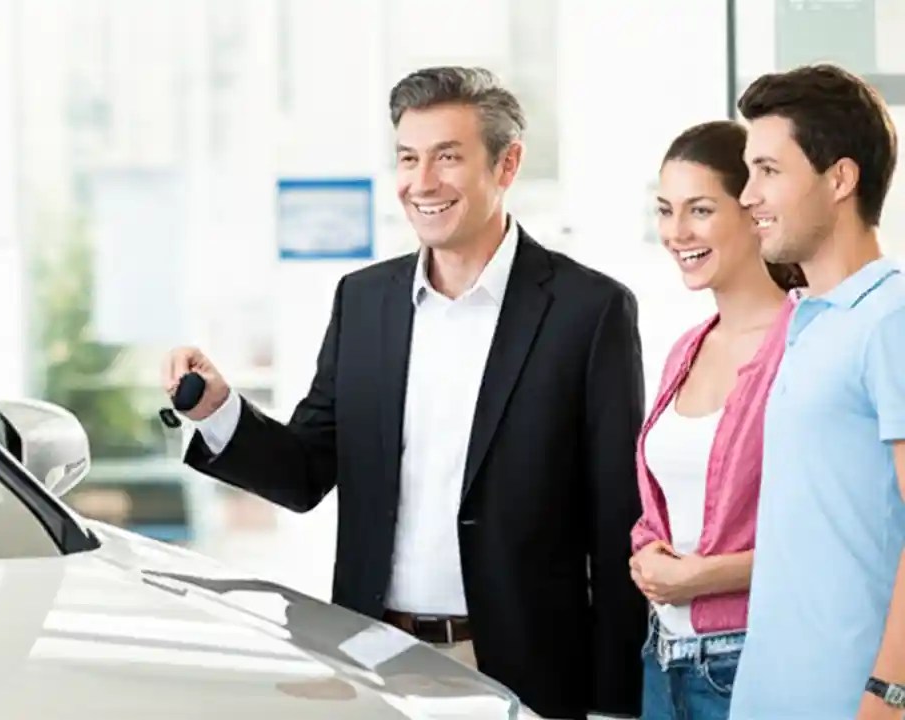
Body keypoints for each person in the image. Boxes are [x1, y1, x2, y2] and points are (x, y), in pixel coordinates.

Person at [162, 65, 647, 720]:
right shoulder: (364, 301)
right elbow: (305, 471)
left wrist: (616, 703)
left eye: (448, 157)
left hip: (523, 672)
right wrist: (218, 411)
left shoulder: (588, 311)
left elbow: (618, 521)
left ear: (507, 165)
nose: (422, 182)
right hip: (374, 659)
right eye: (408, 158)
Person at [723, 63, 905, 720]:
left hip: (853, 702)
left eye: (769, 170)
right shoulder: (808, 319)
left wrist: (890, 694)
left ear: (840, 179)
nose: (748, 195)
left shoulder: (891, 319)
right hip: (768, 694)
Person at [629, 120, 805, 720]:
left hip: (751, 658)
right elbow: (667, 509)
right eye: (665, 210)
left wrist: (703, 578)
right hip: (663, 657)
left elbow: (834, 536)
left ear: (754, 210)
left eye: (700, 210)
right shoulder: (688, 347)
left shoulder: (804, 342)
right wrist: (647, 554)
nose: (676, 232)